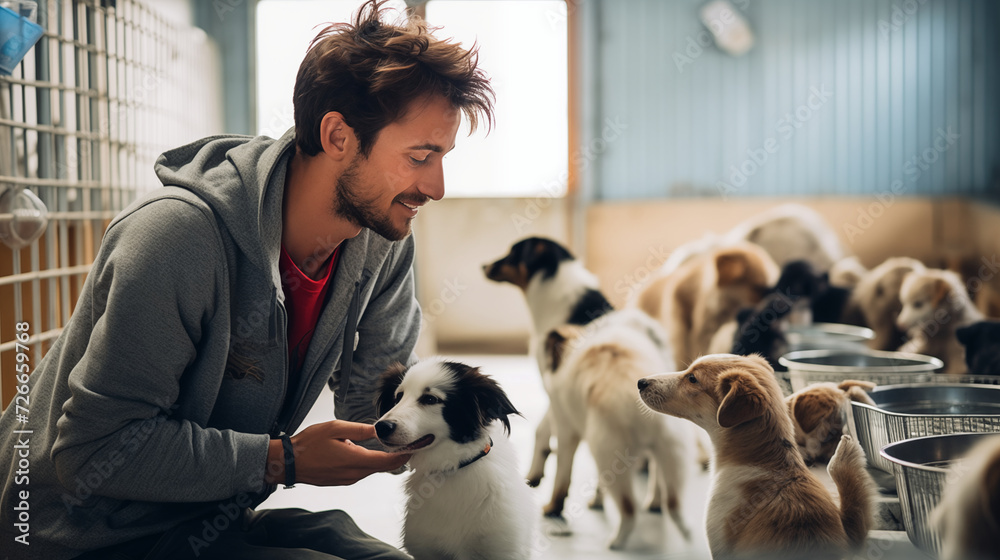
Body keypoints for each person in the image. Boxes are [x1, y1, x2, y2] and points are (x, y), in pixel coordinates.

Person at [0, 1, 494, 558]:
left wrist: (463, 430)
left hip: (209, 517)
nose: (437, 186)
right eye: (421, 156)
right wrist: (283, 459)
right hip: (78, 535)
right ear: (338, 136)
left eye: (442, 157)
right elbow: (92, 452)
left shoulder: (381, 239)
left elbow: (374, 417)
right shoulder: (176, 238)